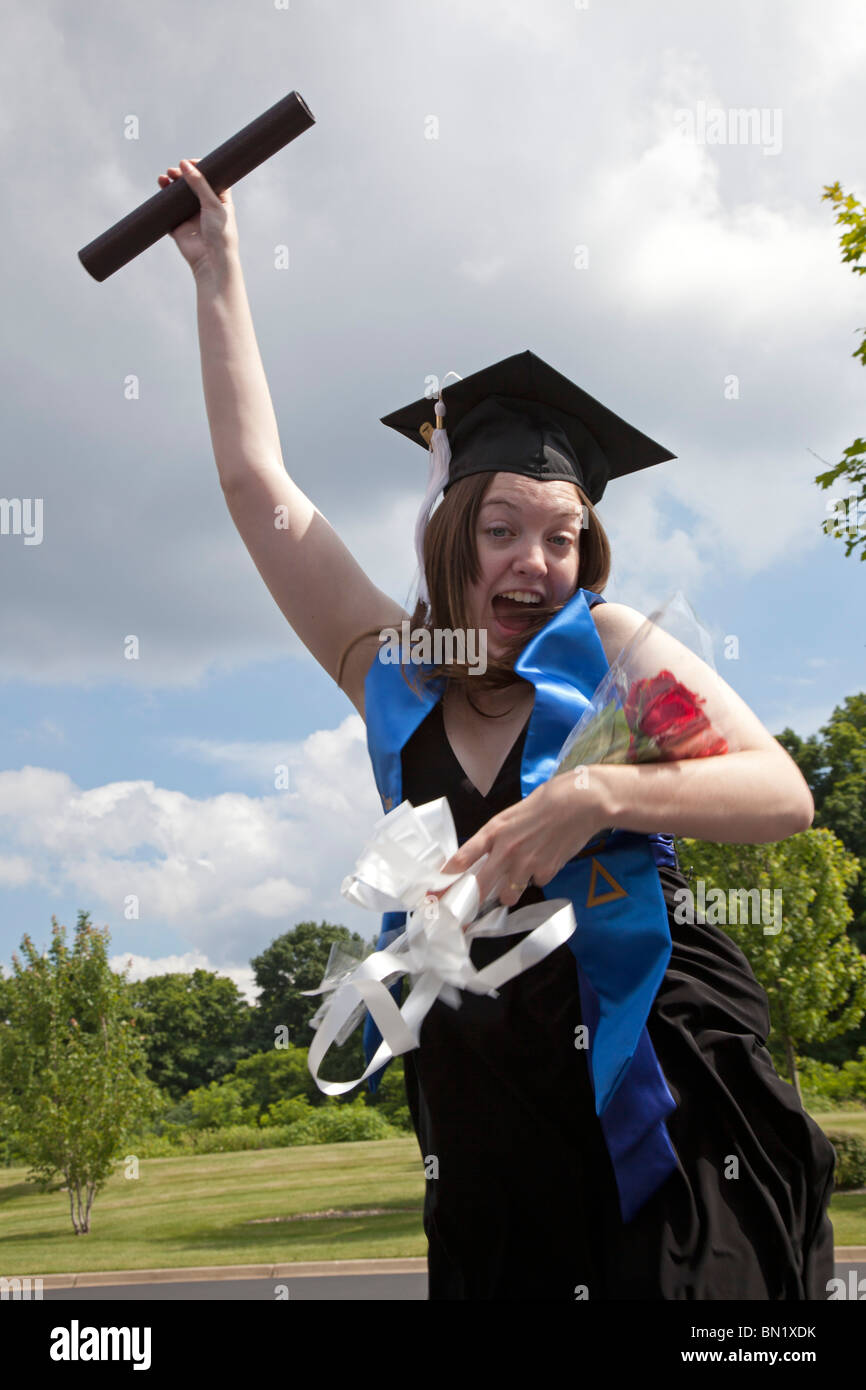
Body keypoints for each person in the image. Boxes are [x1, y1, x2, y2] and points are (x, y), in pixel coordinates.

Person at [161, 157, 837, 1301]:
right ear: (450, 537)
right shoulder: (393, 669)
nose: (535, 560)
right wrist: (218, 262)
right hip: (485, 1099)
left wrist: (596, 795)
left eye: (561, 537)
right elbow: (250, 483)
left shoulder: (613, 651)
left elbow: (777, 792)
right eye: (502, 530)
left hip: (658, 1069)